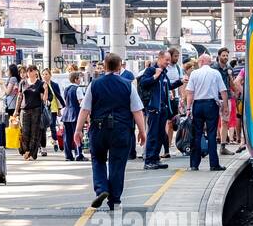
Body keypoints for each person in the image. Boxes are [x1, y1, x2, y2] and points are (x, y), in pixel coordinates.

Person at [75, 53, 146, 211]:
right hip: (121, 130)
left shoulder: (94, 85)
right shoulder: (128, 85)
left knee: (98, 159)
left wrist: (78, 130)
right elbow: (137, 111)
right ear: (120, 66)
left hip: (98, 129)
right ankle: (115, 200)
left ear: (104, 67)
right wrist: (142, 132)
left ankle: (102, 189)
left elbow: (85, 109)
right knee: (117, 164)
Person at [183, 54, 227, 172]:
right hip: (211, 105)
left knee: (197, 135)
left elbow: (190, 93)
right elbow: (223, 91)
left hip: (197, 105)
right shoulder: (215, 73)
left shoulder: (194, 73)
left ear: (201, 61)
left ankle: (194, 164)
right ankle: (214, 164)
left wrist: (188, 109)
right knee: (212, 134)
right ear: (208, 62)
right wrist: (225, 107)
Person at [138, 51, 172, 170]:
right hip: (153, 107)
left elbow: (168, 86)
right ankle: (149, 160)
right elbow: (143, 83)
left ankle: (155, 158)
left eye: (169, 60)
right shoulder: (151, 70)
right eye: (166, 60)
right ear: (160, 58)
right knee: (152, 134)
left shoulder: (163, 73)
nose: (168, 62)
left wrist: (180, 82)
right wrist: (155, 76)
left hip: (162, 107)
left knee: (161, 134)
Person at [14, 64, 46, 160]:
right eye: (28, 71)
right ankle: (26, 150)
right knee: (24, 132)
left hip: (36, 110)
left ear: (36, 72)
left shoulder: (40, 83)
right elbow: (19, 97)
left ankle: (32, 153)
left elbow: (44, 98)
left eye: (32, 71)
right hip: (24, 110)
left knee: (35, 132)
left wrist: (46, 89)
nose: (30, 73)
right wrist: (16, 110)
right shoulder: (22, 83)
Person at [62, 70, 85, 161]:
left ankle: (68, 155)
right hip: (76, 114)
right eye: (79, 78)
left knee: (67, 136)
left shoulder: (67, 89)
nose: (80, 80)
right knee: (77, 134)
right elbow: (81, 103)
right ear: (76, 79)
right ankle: (78, 154)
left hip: (66, 114)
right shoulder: (78, 89)